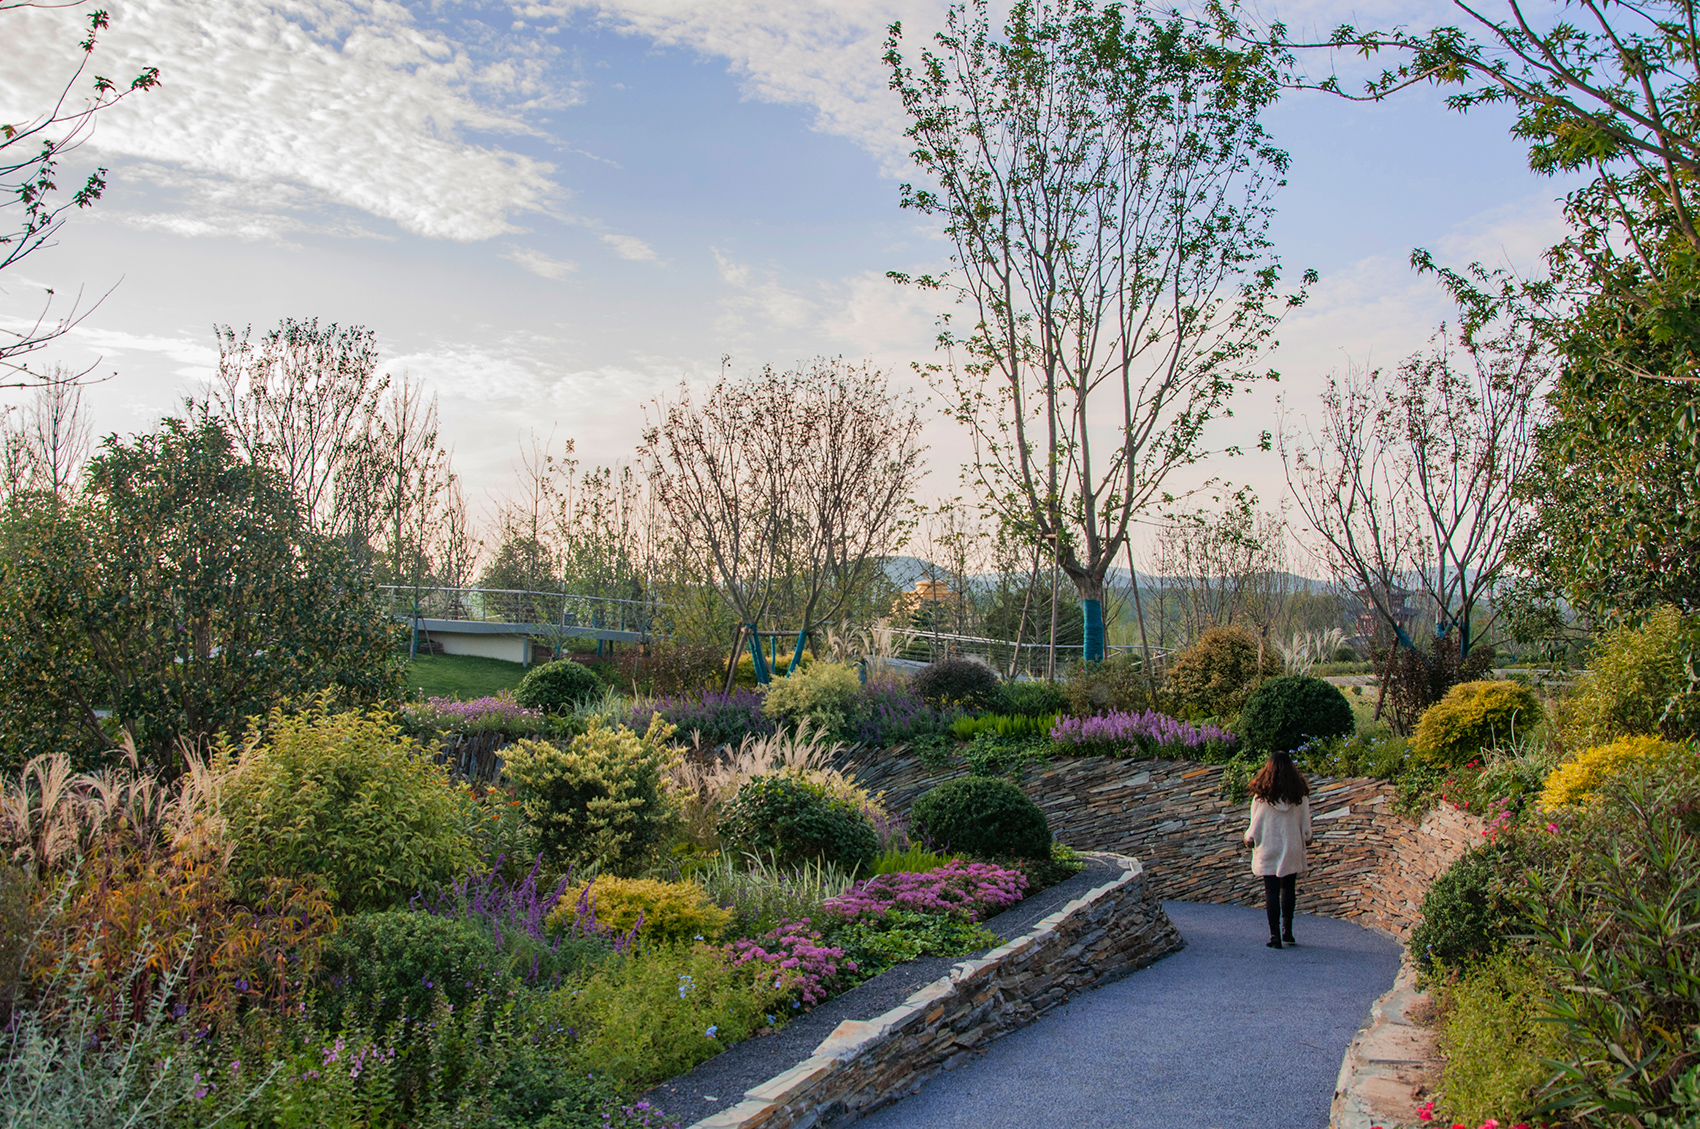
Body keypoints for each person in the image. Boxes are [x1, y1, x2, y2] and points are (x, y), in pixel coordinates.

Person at [1242, 750, 1313, 949]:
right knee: (1288, 888)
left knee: (1271, 890)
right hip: (1291, 847)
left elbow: (1254, 829)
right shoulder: (1300, 797)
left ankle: (1274, 936)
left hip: (1268, 847)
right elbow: (1307, 832)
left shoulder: (1261, 798)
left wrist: (1248, 840)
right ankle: (1287, 931)